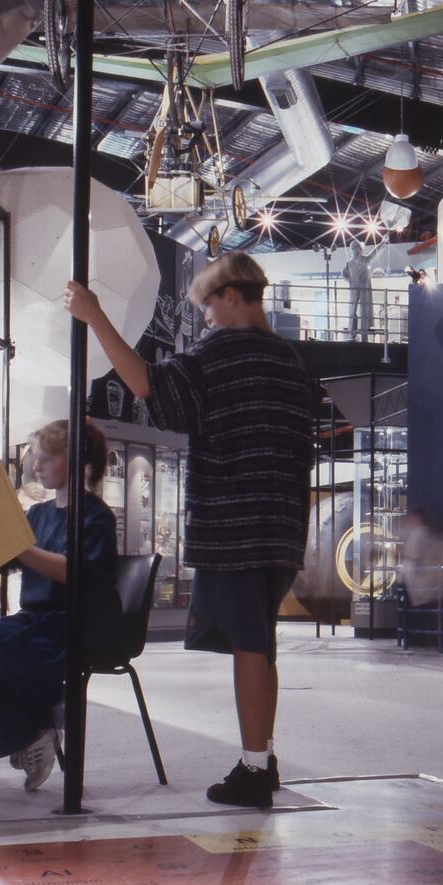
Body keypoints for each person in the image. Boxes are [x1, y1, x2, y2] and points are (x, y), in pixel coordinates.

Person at [65, 251, 315, 809]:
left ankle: (254, 769)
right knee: (261, 643)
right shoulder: (289, 361)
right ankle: (262, 758)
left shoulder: (221, 353)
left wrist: (95, 316)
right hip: (280, 526)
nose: (204, 318)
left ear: (230, 296)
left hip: (235, 524)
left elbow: (151, 388)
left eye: (206, 305)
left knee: (251, 646)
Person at [0, 419, 118, 792]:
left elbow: (74, 573)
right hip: (37, 617)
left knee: (15, 653)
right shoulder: (38, 514)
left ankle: (42, 721)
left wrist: (19, 548)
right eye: (37, 458)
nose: (36, 466)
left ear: (78, 461)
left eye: (47, 459)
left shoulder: (96, 517)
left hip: (79, 621)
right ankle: (27, 734)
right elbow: (12, 559)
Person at [344, 245, 373, 340]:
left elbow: (375, 253)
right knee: (353, 312)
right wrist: (349, 280)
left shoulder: (365, 259)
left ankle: (363, 335)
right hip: (355, 290)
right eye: (355, 248)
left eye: (358, 248)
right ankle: (353, 334)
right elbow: (344, 274)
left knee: (363, 312)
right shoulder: (349, 263)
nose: (357, 250)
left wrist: (382, 243)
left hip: (363, 289)